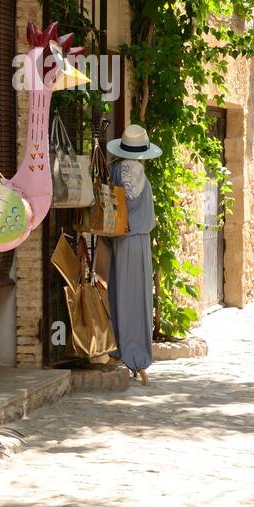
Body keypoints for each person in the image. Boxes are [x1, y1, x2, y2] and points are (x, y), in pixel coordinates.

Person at [106, 124, 161, 385]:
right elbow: (130, 198)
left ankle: (122, 348)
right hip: (134, 239)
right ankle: (135, 354)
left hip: (122, 237)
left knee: (120, 293)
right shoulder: (132, 169)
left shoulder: (116, 168)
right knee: (135, 297)